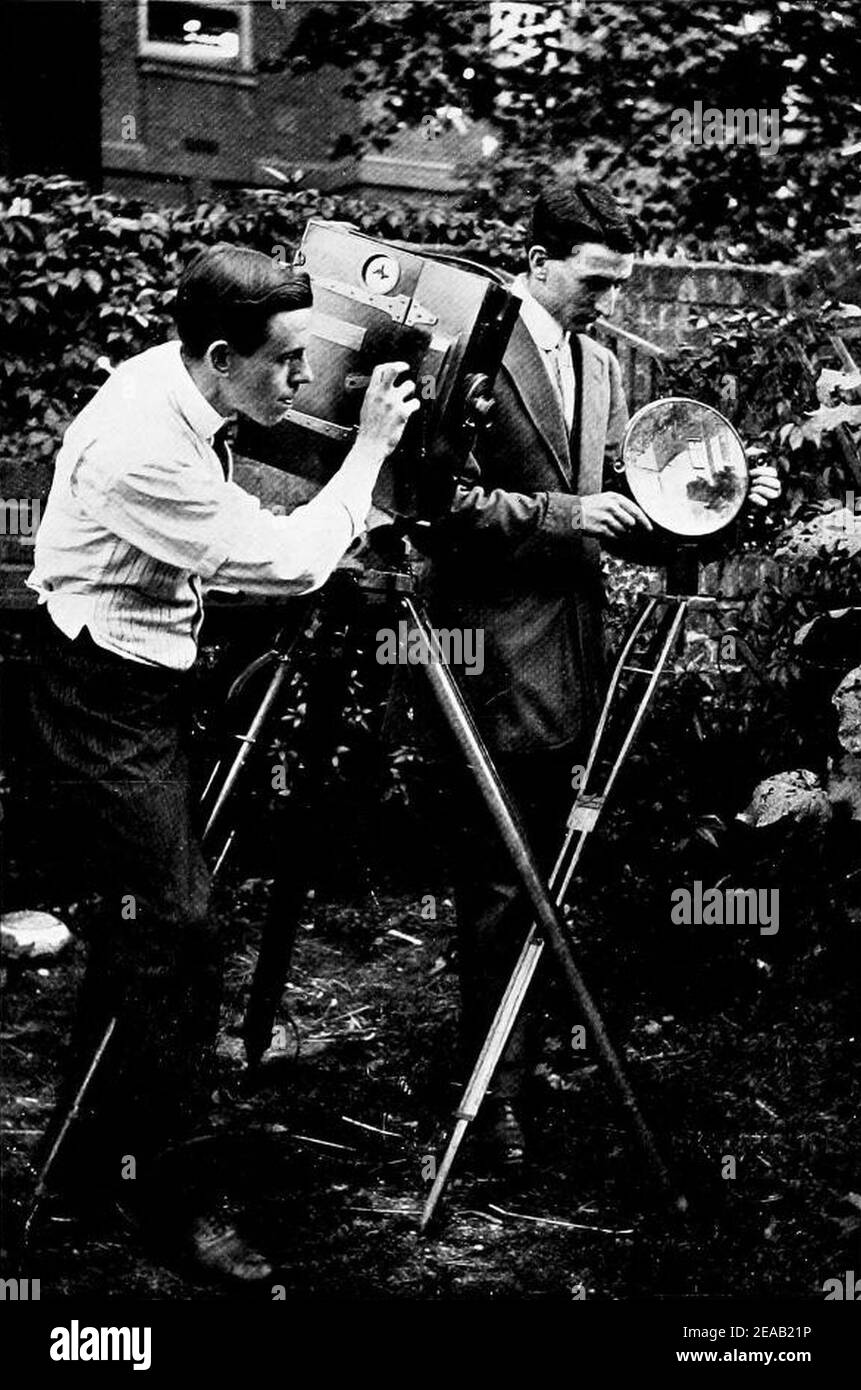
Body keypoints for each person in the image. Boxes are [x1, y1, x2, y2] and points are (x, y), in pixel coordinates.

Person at [26, 243, 418, 1280]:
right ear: (214, 355)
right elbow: (287, 561)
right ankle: (176, 1205)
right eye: (285, 362)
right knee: (181, 933)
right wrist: (370, 452)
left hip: (149, 673)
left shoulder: (178, 386)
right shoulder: (139, 440)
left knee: (142, 942)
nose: (300, 381)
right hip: (101, 694)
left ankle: (79, 1171)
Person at [428, 181, 781, 1166]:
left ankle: (522, 1061)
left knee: (549, 870)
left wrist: (711, 502)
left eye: (618, 285)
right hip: (487, 652)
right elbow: (428, 500)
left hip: (575, 654)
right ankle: (488, 1093)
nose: (607, 302)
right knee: (507, 883)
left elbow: (614, 501)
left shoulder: (598, 362)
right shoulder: (474, 346)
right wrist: (560, 519)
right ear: (539, 259)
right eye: (593, 281)